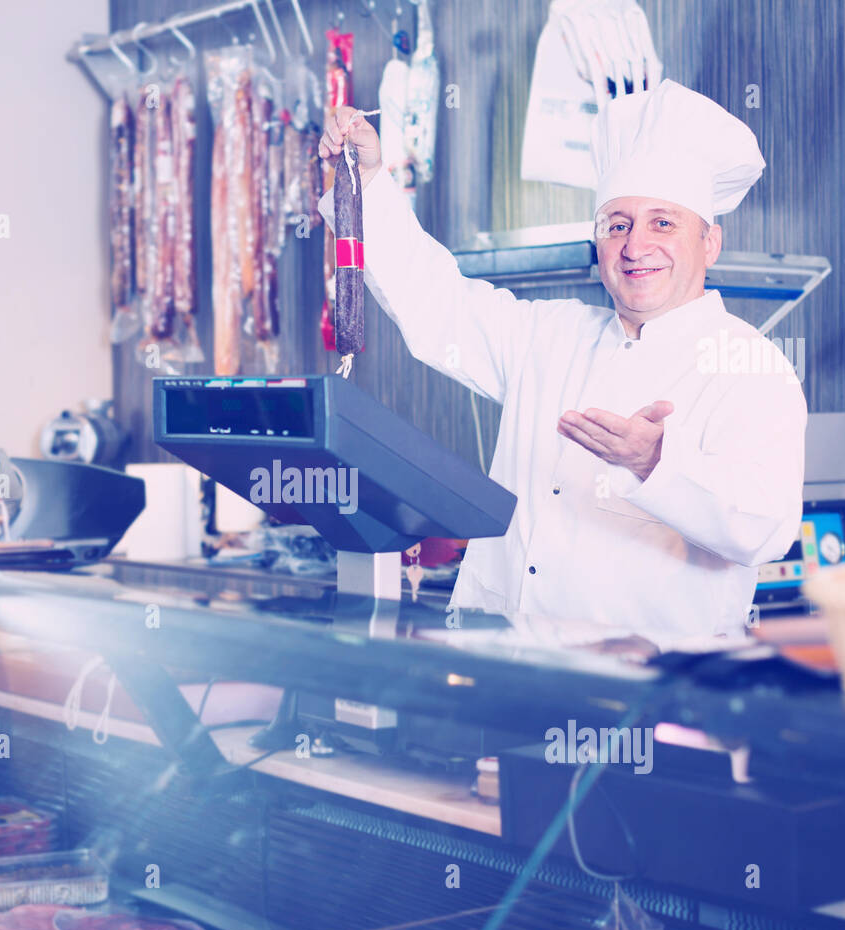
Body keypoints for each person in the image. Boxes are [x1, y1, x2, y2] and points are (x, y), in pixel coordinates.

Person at [318, 80, 806, 640]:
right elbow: (437, 303)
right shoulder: (550, 335)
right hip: (502, 679)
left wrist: (657, 464)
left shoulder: (752, 367)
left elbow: (767, 530)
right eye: (616, 224)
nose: (635, 245)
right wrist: (370, 179)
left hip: (648, 700)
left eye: (663, 223)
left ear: (710, 244)